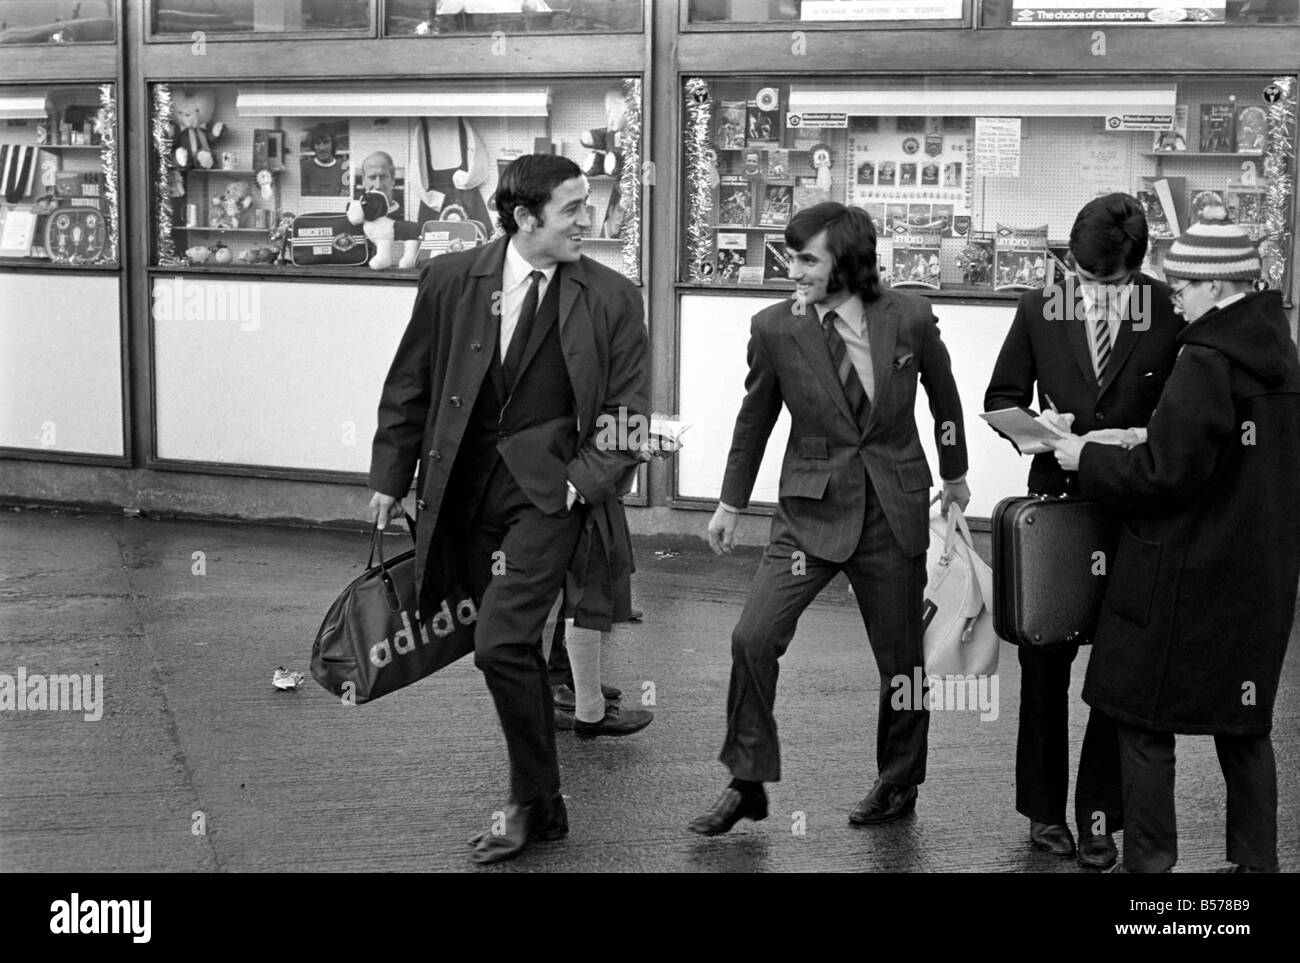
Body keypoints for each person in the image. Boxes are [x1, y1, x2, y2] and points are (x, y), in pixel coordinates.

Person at [367, 153, 649, 865]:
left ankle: (528, 803)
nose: (591, 218)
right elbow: (412, 381)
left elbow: (630, 415)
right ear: (525, 218)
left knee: (498, 644)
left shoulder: (614, 297)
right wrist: (388, 475)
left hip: (549, 502)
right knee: (507, 648)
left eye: (589, 203)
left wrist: (580, 483)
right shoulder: (450, 279)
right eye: (573, 209)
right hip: (460, 493)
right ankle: (546, 801)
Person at [688, 202, 970, 836]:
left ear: (848, 261)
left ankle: (899, 781)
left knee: (901, 661)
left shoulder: (911, 317)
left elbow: (944, 400)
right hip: (808, 515)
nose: (794, 269)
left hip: (892, 509)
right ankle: (747, 780)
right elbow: (753, 419)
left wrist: (954, 476)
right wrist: (731, 502)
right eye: (792, 255)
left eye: (807, 258)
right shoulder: (774, 328)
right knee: (752, 639)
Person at [1049, 211, 1300, 873]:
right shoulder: (1277, 350)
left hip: (1182, 576)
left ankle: (1152, 870)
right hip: (1256, 577)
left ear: (1217, 287)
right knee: (1243, 728)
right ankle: (1256, 866)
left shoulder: (1206, 357)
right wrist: (1145, 438)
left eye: (1185, 283)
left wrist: (1087, 458)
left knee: (1140, 721)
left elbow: (1166, 476)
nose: (1175, 295)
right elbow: (1224, 458)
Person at [983, 192, 1183, 869]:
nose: (1095, 295)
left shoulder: (1169, 310)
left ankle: (1099, 817)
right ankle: (1045, 813)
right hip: (1059, 509)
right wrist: (1040, 434)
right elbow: (1000, 399)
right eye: (1085, 278)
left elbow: (1184, 415)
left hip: (1134, 509)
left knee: (1117, 675)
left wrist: (1136, 439)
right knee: (1043, 666)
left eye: (1112, 283)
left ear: (1137, 269)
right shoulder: (1040, 304)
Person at [299, 124, 346, 197]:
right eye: (317, 143)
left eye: (326, 142)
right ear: (313, 146)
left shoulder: (344, 167)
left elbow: (345, 196)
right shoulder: (305, 167)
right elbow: (303, 197)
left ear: (333, 144)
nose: (322, 148)